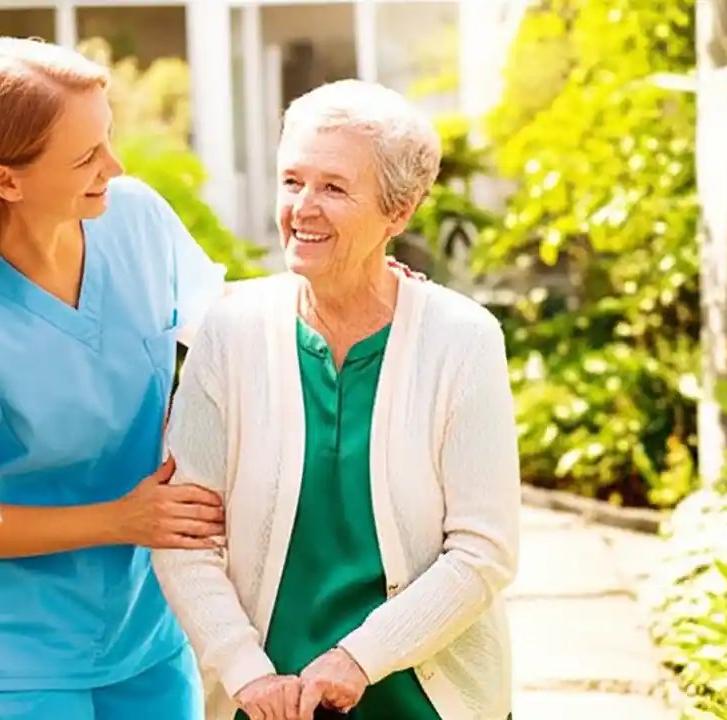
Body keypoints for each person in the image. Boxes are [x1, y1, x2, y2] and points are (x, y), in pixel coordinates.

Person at [153, 79, 521, 720]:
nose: (303, 207)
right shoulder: (231, 332)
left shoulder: (462, 339)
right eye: (292, 181)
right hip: (261, 700)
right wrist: (245, 673)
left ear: (398, 213)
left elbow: (483, 550)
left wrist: (359, 658)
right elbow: (184, 536)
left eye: (333, 187)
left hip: (428, 700)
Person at [0, 37, 230, 719]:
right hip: (18, 656)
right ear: (6, 180)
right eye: (85, 157)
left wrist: (350, 290)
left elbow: (230, 336)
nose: (115, 165)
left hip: (144, 629)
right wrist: (122, 519)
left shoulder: (135, 219)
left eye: (106, 139)